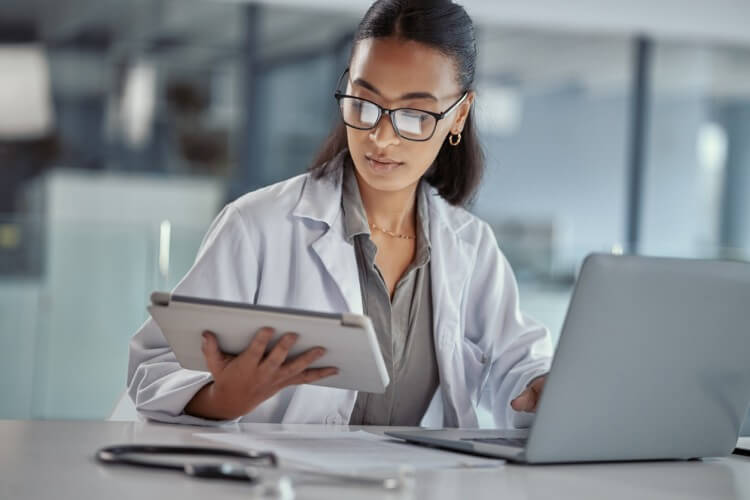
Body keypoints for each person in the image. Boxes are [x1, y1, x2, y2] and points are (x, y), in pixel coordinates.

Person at [127, 0, 552, 428]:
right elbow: (156, 367)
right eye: (364, 102)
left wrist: (540, 385)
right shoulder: (257, 225)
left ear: (458, 114)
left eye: (415, 114)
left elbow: (515, 364)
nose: (381, 137)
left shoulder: (471, 246)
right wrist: (222, 398)